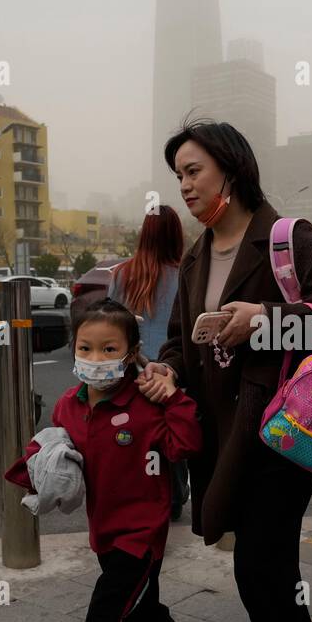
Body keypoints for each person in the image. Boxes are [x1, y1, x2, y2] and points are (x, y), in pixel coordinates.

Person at [138, 117, 312, 622]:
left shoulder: (286, 239)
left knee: (258, 569)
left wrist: (265, 320)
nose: (182, 186)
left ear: (230, 172)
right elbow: (186, 342)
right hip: (218, 438)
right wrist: (166, 370)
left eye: (192, 171)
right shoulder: (194, 253)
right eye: (178, 175)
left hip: (279, 433)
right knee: (268, 569)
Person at [9, 298, 205, 622]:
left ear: (132, 351)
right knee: (141, 608)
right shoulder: (68, 406)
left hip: (141, 535)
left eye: (109, 349)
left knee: (106, 621)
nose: (96, 359)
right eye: (87, 348)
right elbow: (55, 450)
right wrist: (41, 471)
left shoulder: (146, 402)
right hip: (103, 531)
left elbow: (187, 444)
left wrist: (174, 397)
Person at [109, 205, 190, 521]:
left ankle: (141, 496)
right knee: (172, 433)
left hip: (133, 370)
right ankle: (175, 496)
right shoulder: (186, 276)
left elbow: (111, 325)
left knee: (134, 434)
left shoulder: (120, 275)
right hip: (173, 370)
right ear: (175, 236)